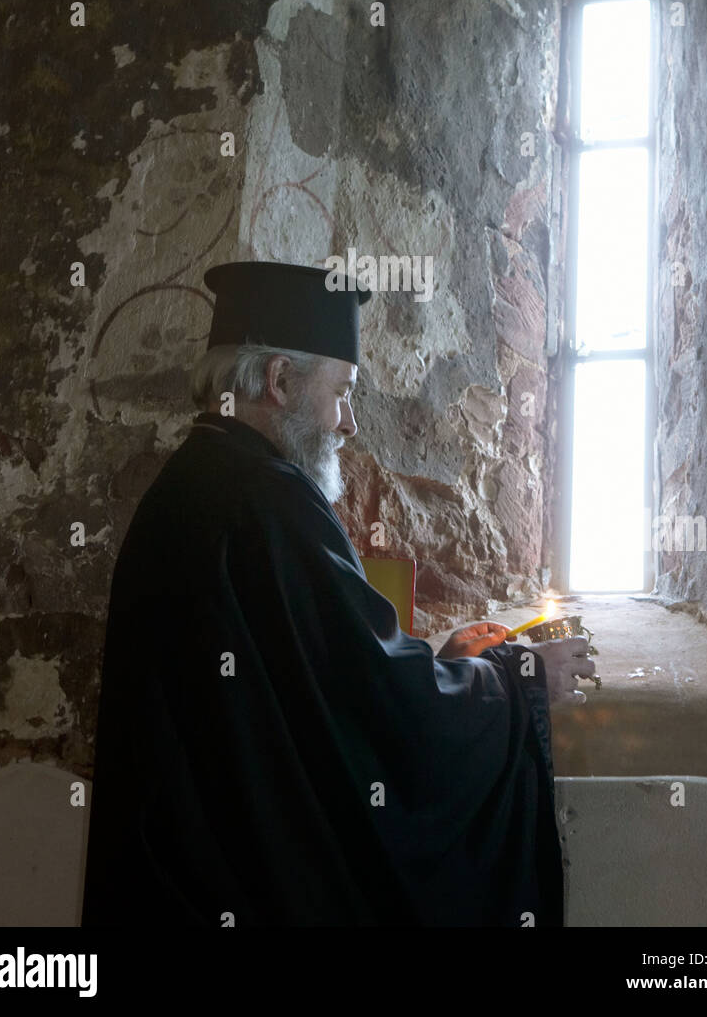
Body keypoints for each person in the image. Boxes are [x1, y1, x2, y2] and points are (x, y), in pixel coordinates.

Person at [80, 260, 595, 928]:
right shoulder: (269, 500)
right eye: (342, 391)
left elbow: (321, 686)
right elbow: (376, 703)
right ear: (280, 380)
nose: (347, 422)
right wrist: (519, 679)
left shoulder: (184, 489)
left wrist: (448, 662)